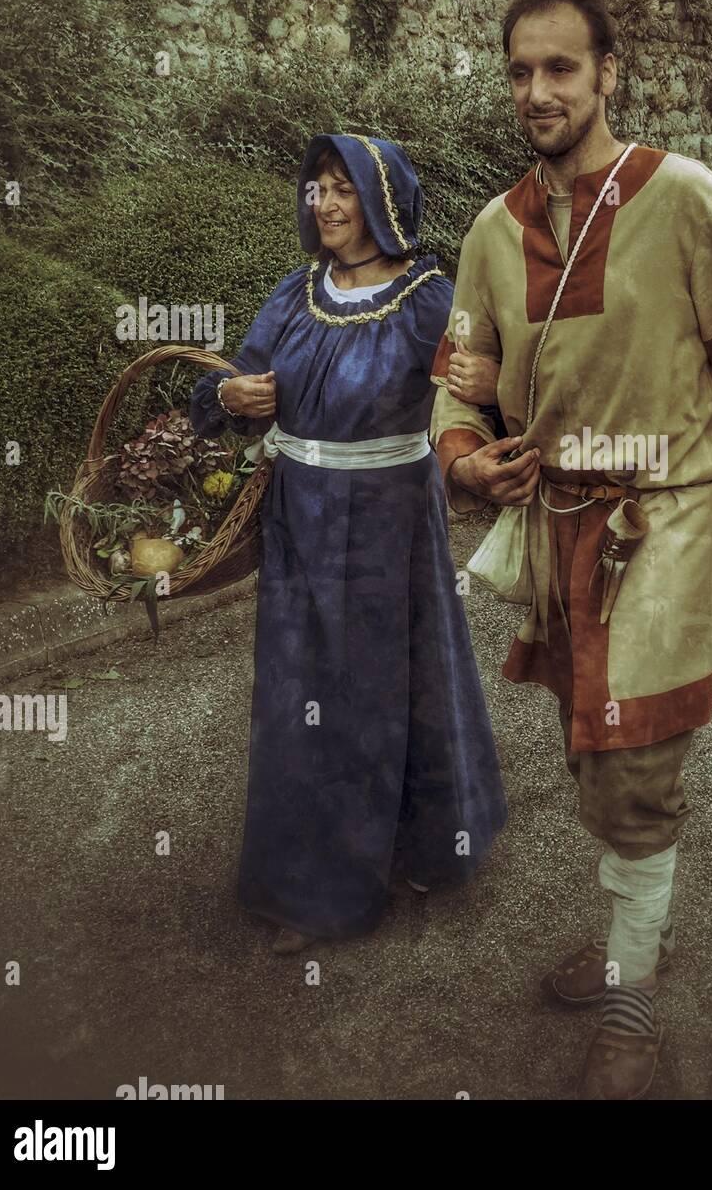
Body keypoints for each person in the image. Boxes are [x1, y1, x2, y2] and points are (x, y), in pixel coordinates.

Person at [428, 0, 712, 1099]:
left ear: (608, 74)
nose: (538, 91)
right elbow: (456, 384)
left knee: (633, 767)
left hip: (668, 522)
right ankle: (634, 934)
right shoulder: (492, 232)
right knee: (589, 757)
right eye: (520, 71)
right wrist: (466, 459)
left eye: (561, 67)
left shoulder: (687, 197)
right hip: (556, 530)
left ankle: (632, 1000)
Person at [190, 133, 506, 955]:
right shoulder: (296, 294)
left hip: (390, 521)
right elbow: (226, 385)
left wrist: (489, 389)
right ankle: (316, 885)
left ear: (382, 200)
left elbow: (490, 391)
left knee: (398, 679)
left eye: (341, 188)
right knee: (306, 691)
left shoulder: (430, 299)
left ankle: (430, 840)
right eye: (317, 189)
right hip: (299, 519)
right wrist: (230, 395)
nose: (325, 203)